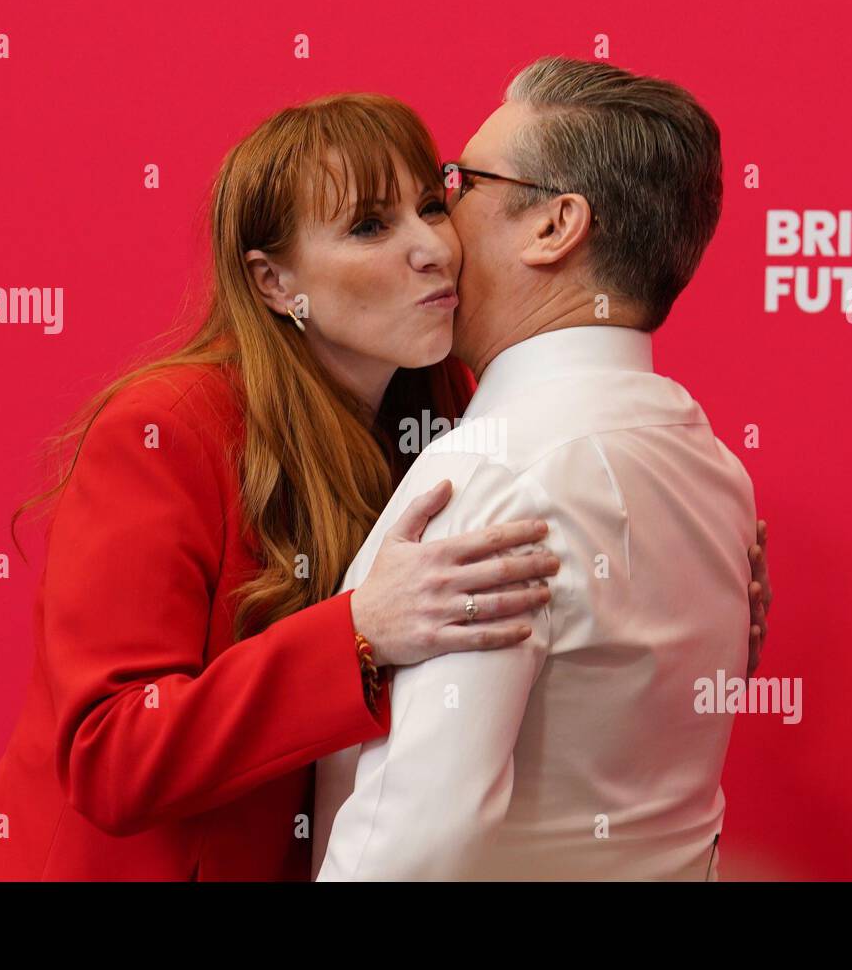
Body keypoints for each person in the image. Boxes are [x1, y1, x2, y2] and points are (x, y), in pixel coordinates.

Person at [0, 93, 567, 880]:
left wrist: (684, 590)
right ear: (274, 283)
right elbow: (112, 753)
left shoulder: (449, 413)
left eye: (431, 207)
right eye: (370, 226)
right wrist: (358, 630)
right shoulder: (163, 431)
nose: (433, 249)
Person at [314, 57, 765, 880]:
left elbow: (420, 832)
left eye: (459, 185)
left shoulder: (494, 472)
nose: (437, 221)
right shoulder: (714, 465)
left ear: (555, 226)